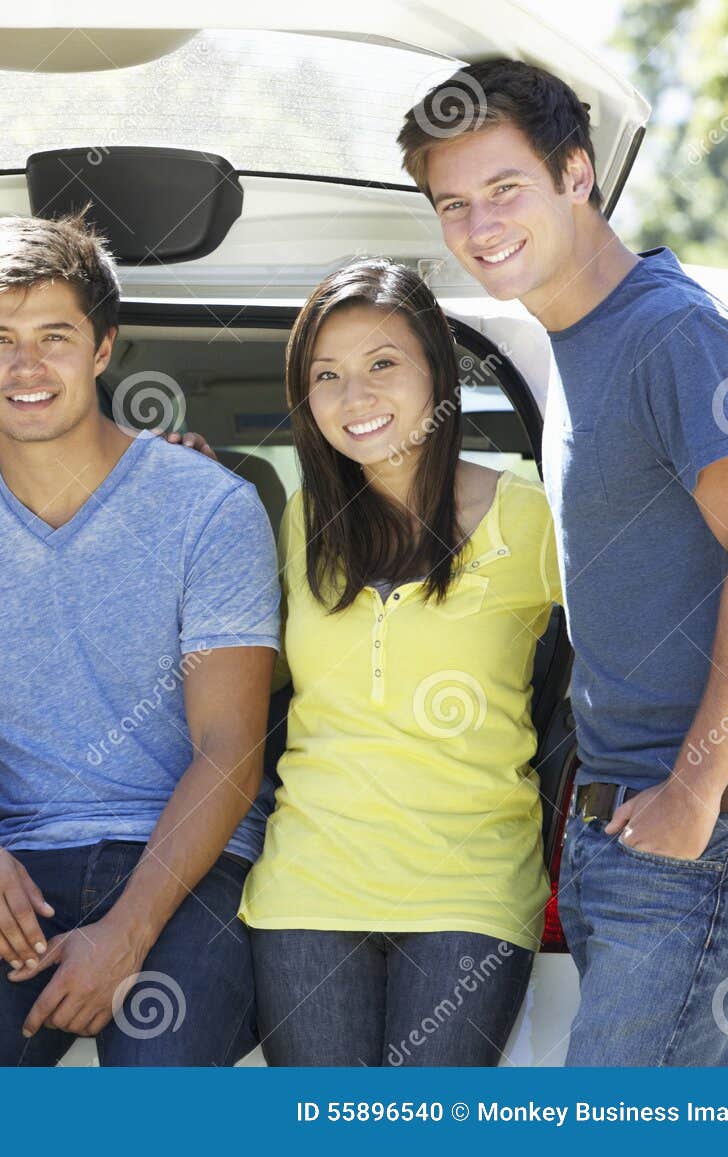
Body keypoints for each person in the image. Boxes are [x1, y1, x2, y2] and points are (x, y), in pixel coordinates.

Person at [400, 58, 728, 1065]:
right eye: (452, 203)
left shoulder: (673, 333)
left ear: (576, 172)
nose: (478, 223)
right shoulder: (579, 341)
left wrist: (695, 791)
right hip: (623, 820)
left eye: (504, 189)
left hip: (707, 835)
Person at [0, 210, 278, 1066]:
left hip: (197, 870)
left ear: (101, 348)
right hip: (21, 876)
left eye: (55, 335)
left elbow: (229, 751)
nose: (27, 365)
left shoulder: (210, 508)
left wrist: (126, 935)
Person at [240, 258, 553, 1065]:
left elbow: (663, 605)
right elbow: (256, 675)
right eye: (328, 375)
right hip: (306, 887)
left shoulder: (531, 519)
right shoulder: (303, 518)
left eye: (383, 365)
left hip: (470, 889)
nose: (357, 398)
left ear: (438, 373)